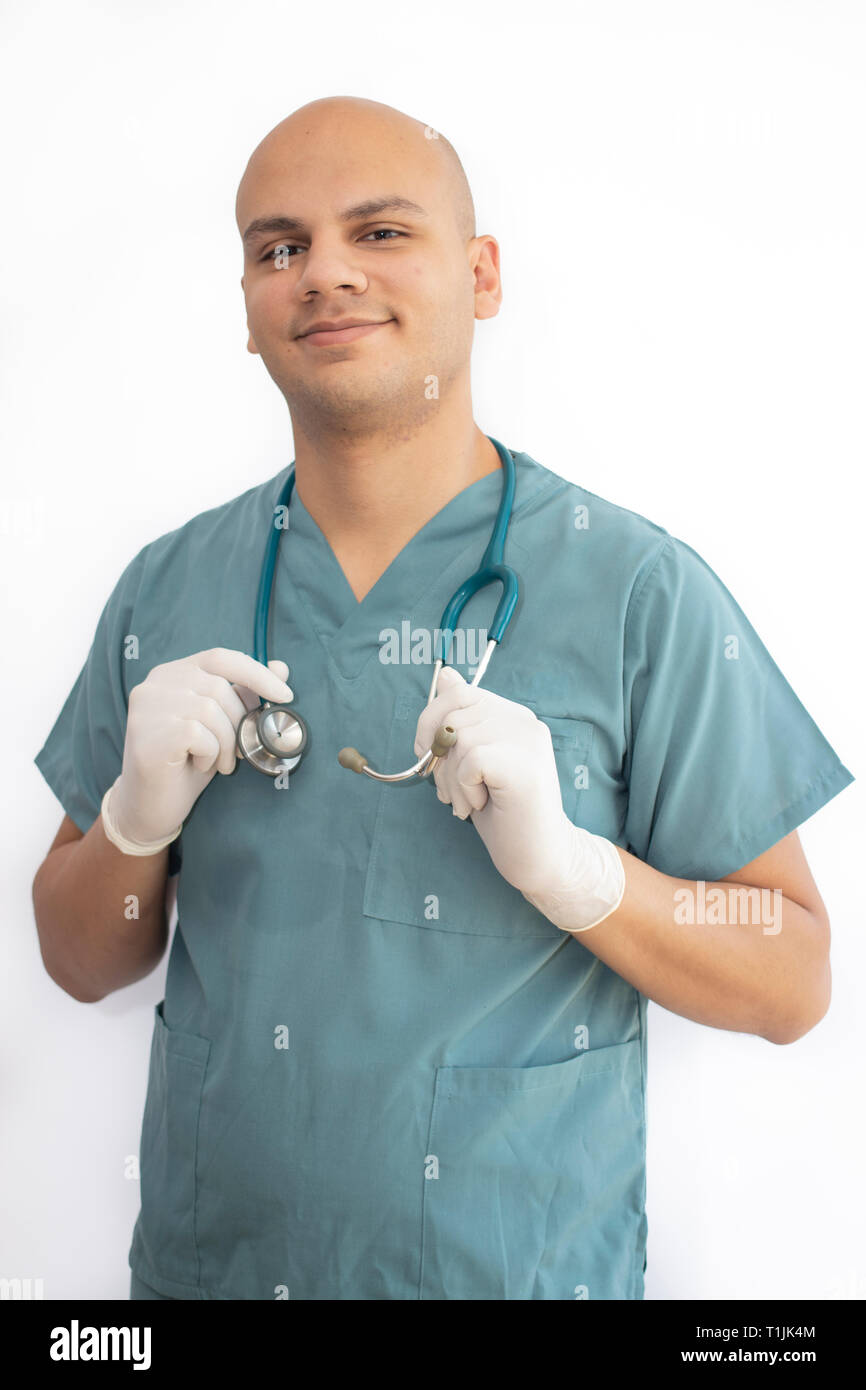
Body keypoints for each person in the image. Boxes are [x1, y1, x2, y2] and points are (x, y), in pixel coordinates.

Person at [32, 95, 853, 1302]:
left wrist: (579, 875)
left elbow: (790, 971)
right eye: (279, 247)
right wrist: (131, 828)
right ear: (248, 310)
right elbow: (78, 960)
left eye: (378, 233)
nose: (323, 275)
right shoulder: (168, 586)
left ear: (480, 276)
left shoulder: (632, 589)